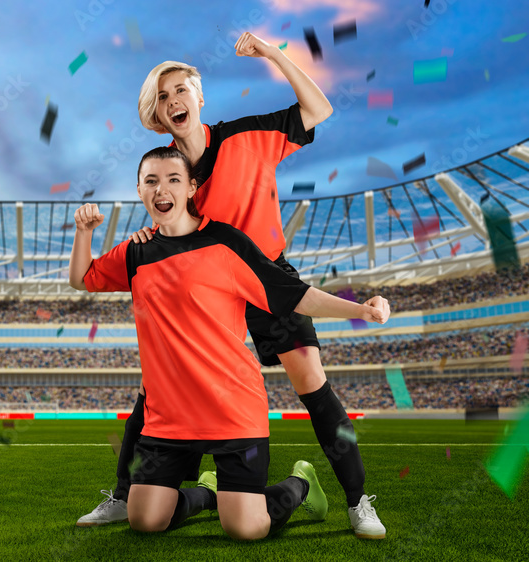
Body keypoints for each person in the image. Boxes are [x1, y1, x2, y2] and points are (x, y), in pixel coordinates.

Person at [77, 33, 386, 540]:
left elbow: (319, 108)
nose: (173, 100)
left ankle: (357, 501)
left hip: (264, 278)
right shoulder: (170, 171)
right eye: (162, 95)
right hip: (206, 288)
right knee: (154, 390)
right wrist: (144, 234)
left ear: (200, 98)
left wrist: (272, 54)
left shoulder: (248, 136)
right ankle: (121, 496)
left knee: (313, 385)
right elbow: (168, 229)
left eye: (181, 89)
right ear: (155, 116)